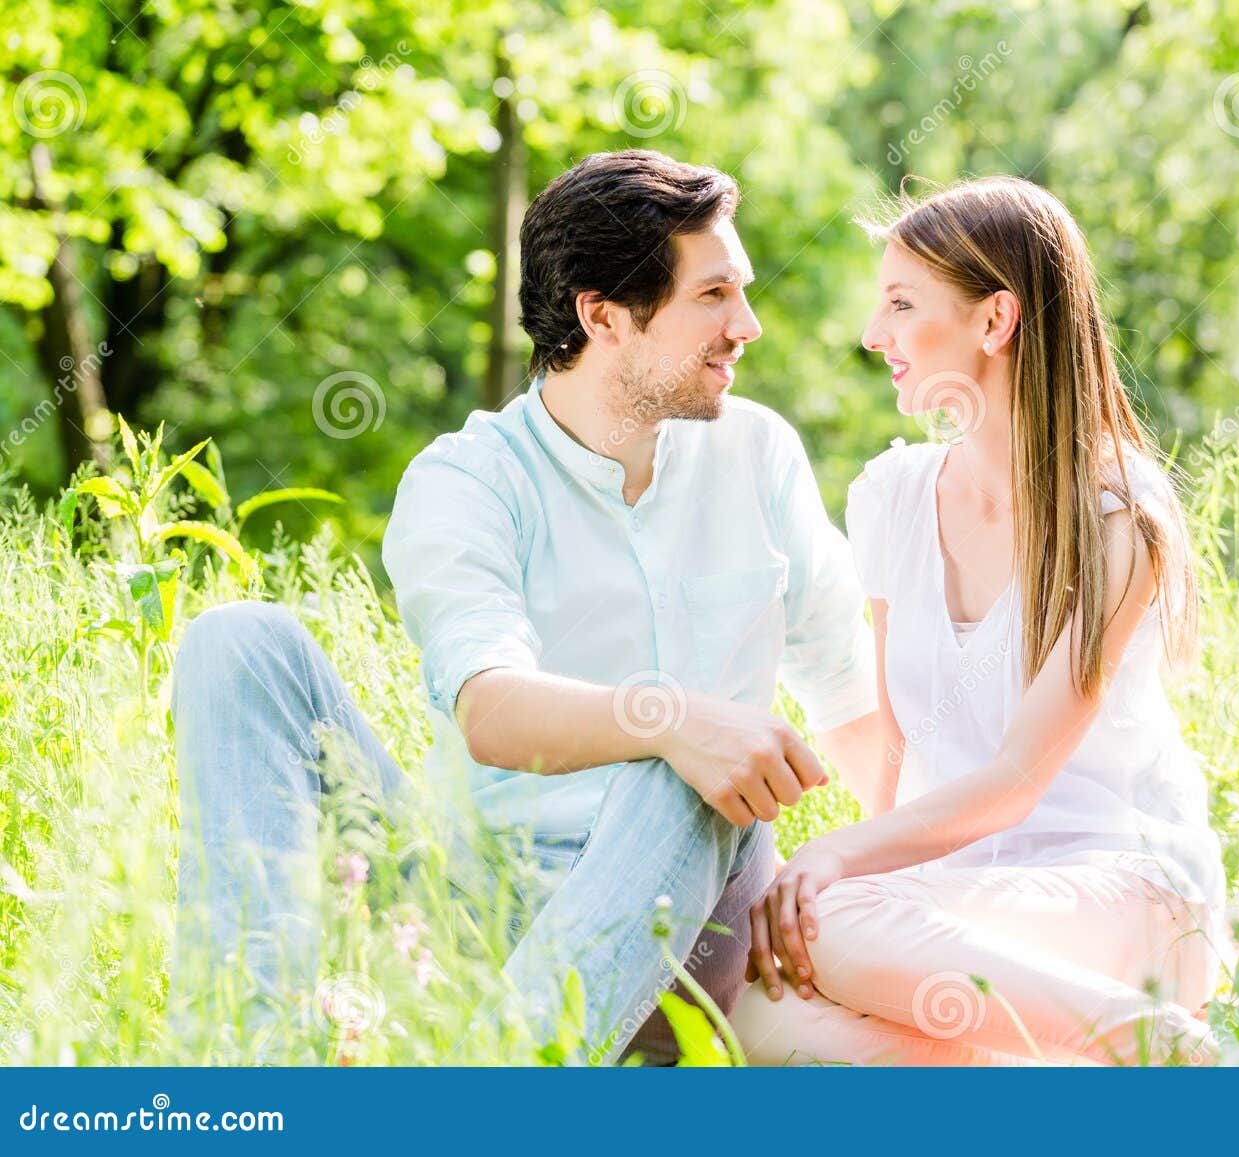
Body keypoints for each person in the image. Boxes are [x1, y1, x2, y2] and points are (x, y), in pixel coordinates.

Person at [170, 150, 883, 1065]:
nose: (746, 324)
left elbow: (853, 703)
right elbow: (492, 707)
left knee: (690, 765)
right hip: (477, 917)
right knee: (241, 639)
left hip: (685, 935)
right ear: (603, 316)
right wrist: (670, 716)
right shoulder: (468, 479)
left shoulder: (759, 455)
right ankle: (248, 1084)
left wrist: (917, 868)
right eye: (713, 296)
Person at [728, 176, 1238, 1067]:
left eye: (900, 302)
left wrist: (839, 867)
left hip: (1123, 888)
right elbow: (898, 750)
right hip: (958, 904)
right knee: (753, 1003)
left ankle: (1163, 1043)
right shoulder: (891, 497)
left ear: (994, 321)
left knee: (830, 919)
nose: (872, 333)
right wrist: (864, 892)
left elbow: (1015, 779)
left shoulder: (1119, 516)